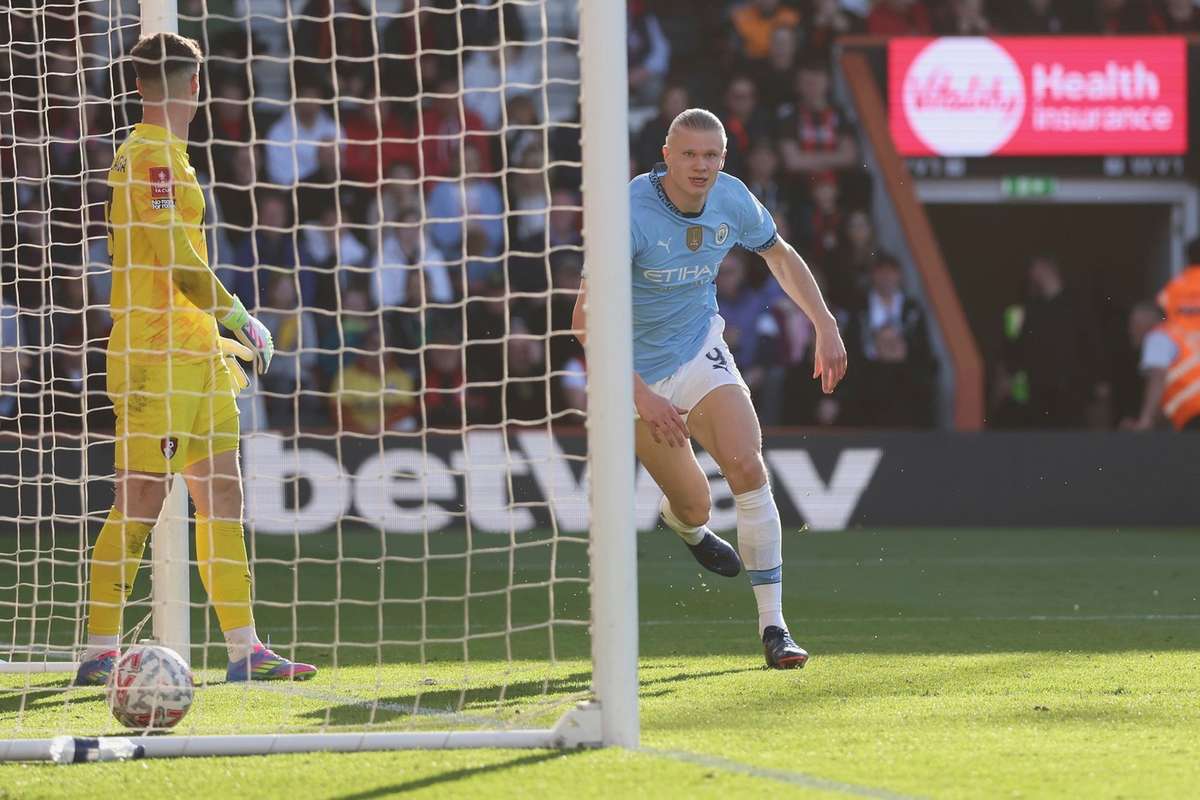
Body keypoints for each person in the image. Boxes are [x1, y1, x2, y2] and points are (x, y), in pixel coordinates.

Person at [76, 32, 315, 686]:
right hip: (155, 357)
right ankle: (100, 650)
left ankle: (245, 650)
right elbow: (178, 260)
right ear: (194, 85)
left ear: (137, 84)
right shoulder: (151, 160)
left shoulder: (167, 157)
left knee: (223, 496)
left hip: (196, 356)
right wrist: (238, 313)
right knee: (142, 500)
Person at [572, 108, 847, 670]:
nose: (701, 167)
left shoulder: (731, 197)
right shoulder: (628, 213)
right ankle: (687, 527)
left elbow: (778, 253)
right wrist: (642, 396)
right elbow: (583, 321)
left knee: (747, 464)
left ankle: (774, 627)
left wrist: (825, 323)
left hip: (700, 349)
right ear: (667, 156)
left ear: (724, 158)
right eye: (690, 155)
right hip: (632, 372)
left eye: (712, 155)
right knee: (695, 502)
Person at [1122, 302, 1200, 431]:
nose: (1130, 329)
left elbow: (1158, 377)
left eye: (1135, 323)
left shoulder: (1158, 337)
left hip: (1194, 412)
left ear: (1149, 321)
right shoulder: (1182, 334)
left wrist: (1145, 421)